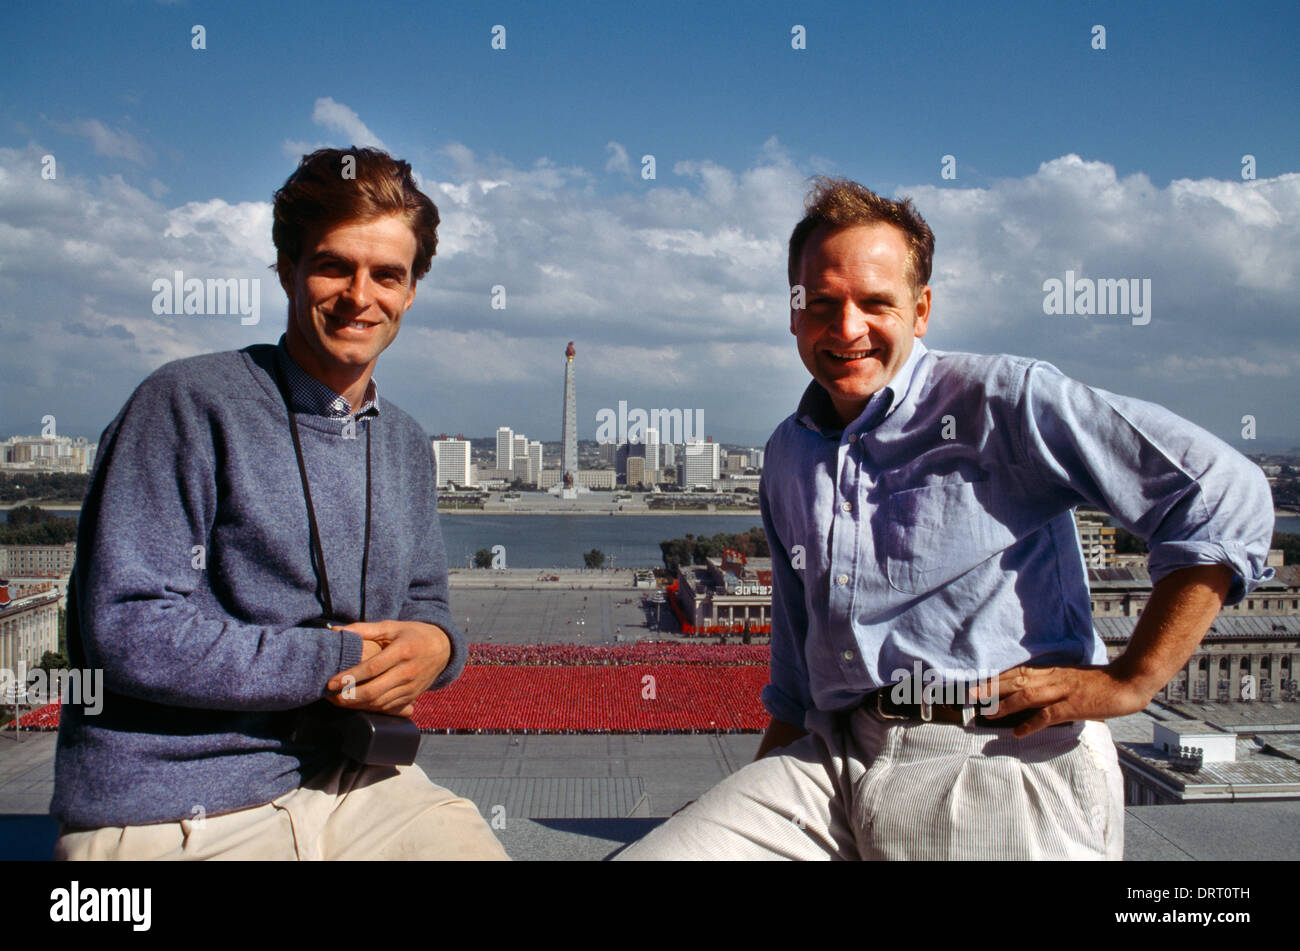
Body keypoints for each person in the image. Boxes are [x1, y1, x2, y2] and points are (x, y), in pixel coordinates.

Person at [618, 177, 1274, 860]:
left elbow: (1225, 492)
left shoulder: (1002, 401)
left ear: (921, 309)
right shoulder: (788, 450)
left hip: (1000, 762)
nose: (847, 328)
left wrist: (1132, 678)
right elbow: (794, 674)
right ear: (792, 313)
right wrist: (754, 791)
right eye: (822, 303)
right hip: (834, 763)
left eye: (876, 302)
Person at [51, 147, 508, 860]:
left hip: (356, 781)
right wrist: (338, 657)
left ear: (412, 290)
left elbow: (425, 605)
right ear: (286, 268)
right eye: (334, 266)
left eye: (388, 274)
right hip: (174, 806)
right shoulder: (185, 404)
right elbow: (128, 628)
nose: (361, 296)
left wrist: (440, 647)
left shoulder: (407, 443)